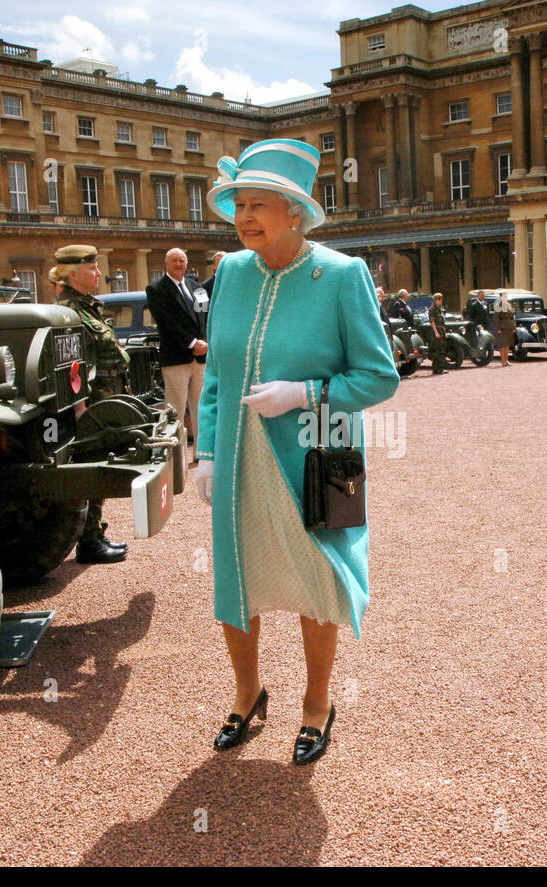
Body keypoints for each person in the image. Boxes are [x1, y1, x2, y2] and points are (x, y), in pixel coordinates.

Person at [197, 138, 398, 764]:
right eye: (239, 204)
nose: (245, 216)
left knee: (321, 580)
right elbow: (217, 381)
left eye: (259, 204)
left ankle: (317, 705)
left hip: (324, 452)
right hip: (237, 454)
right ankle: (247, 693)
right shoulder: (230, 273)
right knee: (239, 580)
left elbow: (379, 376)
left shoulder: (342, 275)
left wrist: (304, 393)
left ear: (294, 211)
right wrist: (205, 450)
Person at [52, 244, 128, 563]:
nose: (99, 273)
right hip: (92, 398)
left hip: (105, 392)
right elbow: (72, 364)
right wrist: (80, 405)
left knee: (102, 462)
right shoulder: (68, 312)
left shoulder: (86, 307)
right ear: (72, 274)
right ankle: (90, 539)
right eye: (92, 268)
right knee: (94, 464)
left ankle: (95, 534)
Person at [146, 248, 208, 462]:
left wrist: (205, 342)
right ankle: (177, 458)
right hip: (176, 359)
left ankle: (201, 452)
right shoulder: (156, 289)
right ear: (166, 264)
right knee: (176, 410)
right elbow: (166, 322)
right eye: (174, 260)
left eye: (182, 260)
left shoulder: (197, 287)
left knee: (201, 407)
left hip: (200, 359)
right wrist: (192, 343)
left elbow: (205, 316)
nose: (179, 264)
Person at [427, 292, 449, 375]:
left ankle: (441, 368)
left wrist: (444, 332)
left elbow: (442, 322)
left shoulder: (440, 309)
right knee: (437, 351)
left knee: (442, 350)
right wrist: (436, 332)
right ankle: (436, 369)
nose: (441, 301)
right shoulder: (432, 309)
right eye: (440, 299)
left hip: (441, 332)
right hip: (436, 333)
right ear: (436, 300)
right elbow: (432, 321)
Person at [493, 291, 515, 366]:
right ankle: (503, 361)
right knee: (502, 344)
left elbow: (512, 316)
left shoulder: (509, 304)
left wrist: (513, 326)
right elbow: (496, 318)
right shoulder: (498, 305)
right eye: (504, 296)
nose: (505, 297)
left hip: (509, 326)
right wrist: (498, 328)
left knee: (508, 344)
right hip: (502, 326)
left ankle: (507, 360)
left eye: (506, 296)